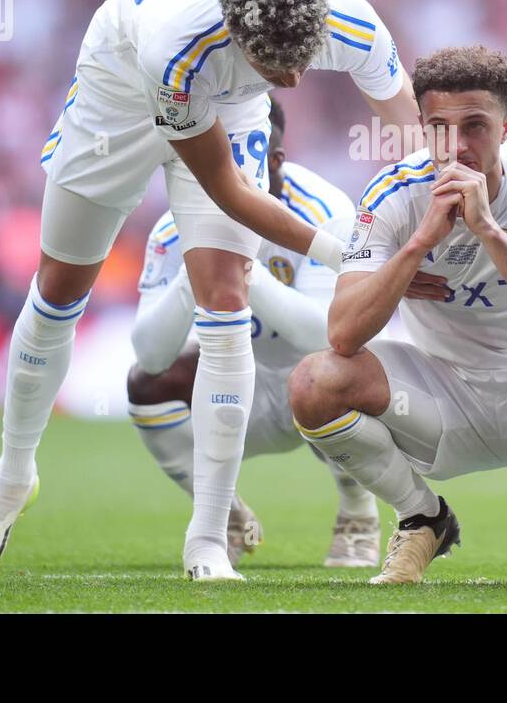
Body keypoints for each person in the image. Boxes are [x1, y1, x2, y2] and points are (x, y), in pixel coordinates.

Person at [0, 0, 417, 581]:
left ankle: (207, 541)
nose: (292, 83)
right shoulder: (178, 49)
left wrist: (426, 224)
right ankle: (14, 475)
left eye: (302, 63)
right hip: (118, 89)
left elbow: (413, 139)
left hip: (229, 100)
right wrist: (348, 256)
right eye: (275, 67)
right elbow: (230, 192)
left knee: (224, 297)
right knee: (59, 288)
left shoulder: (352, 23)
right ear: (237, 34)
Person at [288, 46, 507, 587]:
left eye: (475, 125)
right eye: (439, 127)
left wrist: (490, 232)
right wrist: (421, 243)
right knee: (314, 382)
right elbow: (342, 334)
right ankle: (422, 517)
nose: (457, 145)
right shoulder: (393, 195)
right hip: (437, 396)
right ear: (423, 130)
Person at [126, 97, 380, 569]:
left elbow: (329, 334)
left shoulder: (326, 211)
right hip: (226, 391)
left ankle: (358, 513)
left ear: (275, 162)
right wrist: (193, 273)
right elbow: (150, 354)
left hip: (308, 389)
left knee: (340, 370)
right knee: (145, 387)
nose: (219, 176)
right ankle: (225, 514)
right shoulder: (172, 228)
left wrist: (246, 275)